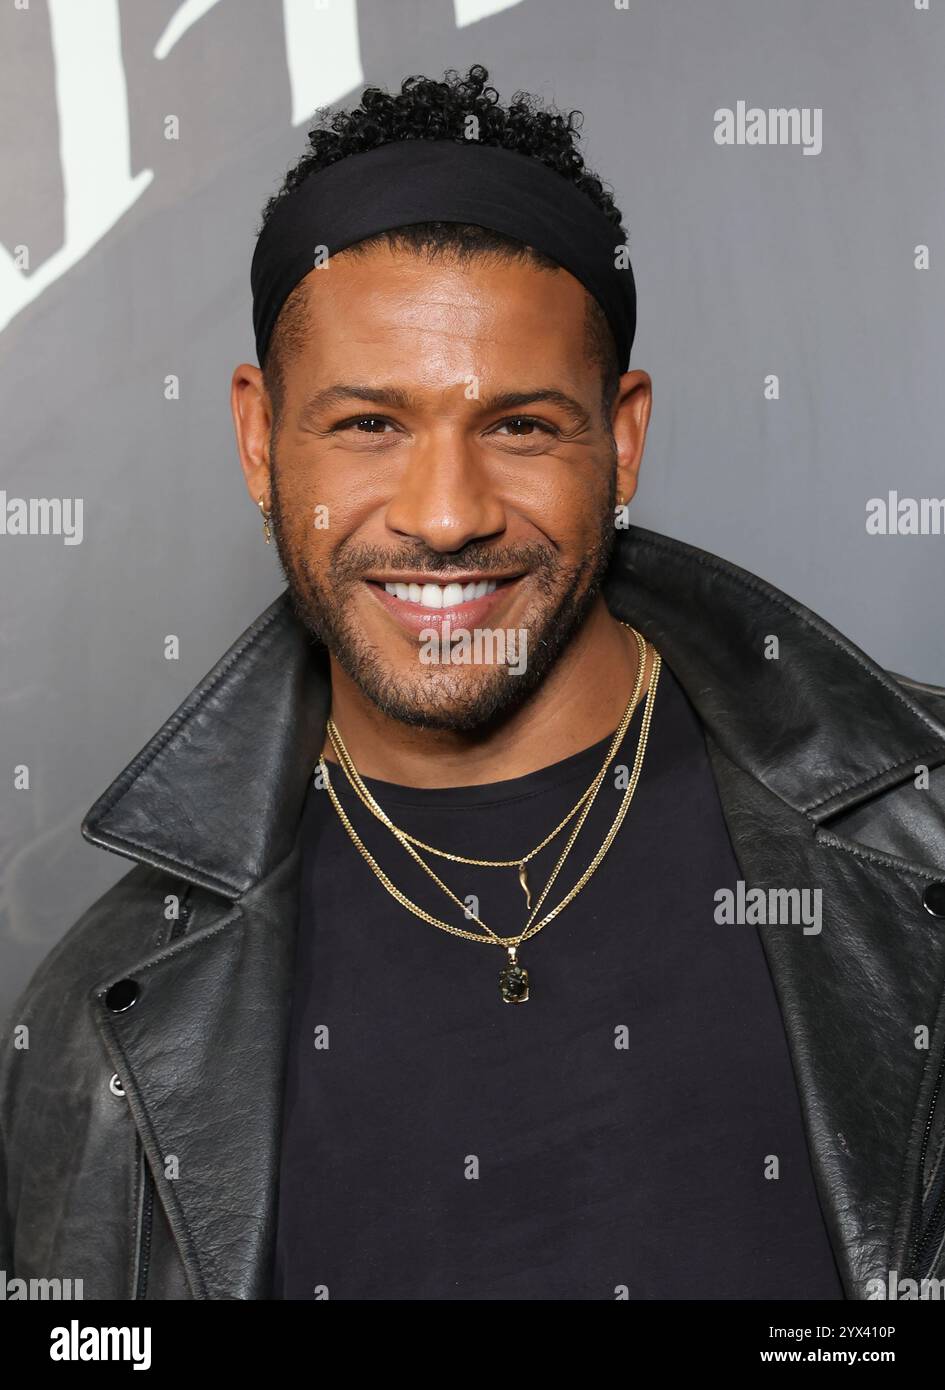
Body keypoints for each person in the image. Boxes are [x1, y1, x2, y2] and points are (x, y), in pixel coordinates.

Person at [2, 65, 945, 1303]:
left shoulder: (918, 841)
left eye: (520, 426)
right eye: (367, 426)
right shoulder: (102, 1018)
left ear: (622, 439)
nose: (444, 518)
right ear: (256, 439)